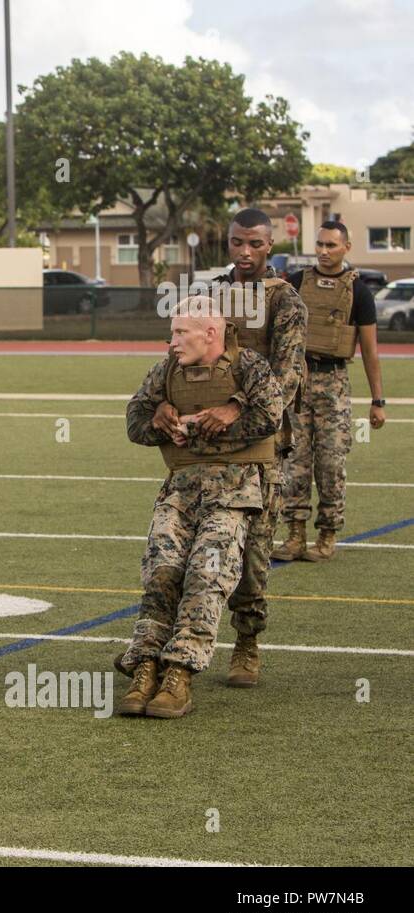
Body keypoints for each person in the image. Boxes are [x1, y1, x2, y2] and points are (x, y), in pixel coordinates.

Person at [117, 297, 284, 718]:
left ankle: (181, 672)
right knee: (161, 571)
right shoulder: (168, 370)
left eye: (179, 332)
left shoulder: (250, 367)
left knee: (209, 574)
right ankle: (147, 664)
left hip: (236, 491)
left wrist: (230, 412)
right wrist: (158, 416)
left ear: (209, 333)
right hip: (181, 489)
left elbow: (271, 418)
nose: (171, 341)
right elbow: (134, 421)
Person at [180, 207, 306, 688]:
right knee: (192, 548)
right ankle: (180, 646)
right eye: (237, 243)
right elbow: (183, 354)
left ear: (270, 245)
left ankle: (247, 642)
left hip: (261, 447)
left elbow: (289, 376)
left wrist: (236, 405)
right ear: (227, 243)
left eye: (255, 243)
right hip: (205, 446)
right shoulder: (208, 295)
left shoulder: (286, 302)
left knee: (253, 553)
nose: (246, 252)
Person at [274, 220, 386, 561]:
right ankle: (294, 535)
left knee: (331, 463)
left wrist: (377, 401)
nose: (324, 251)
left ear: (346, 248)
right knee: (294, 461)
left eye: (331, 246)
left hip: (334, 384)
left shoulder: (360, 291)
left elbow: (369, 350)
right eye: (320, 245)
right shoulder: (295, 283)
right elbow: (277, 333)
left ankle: (327, 535)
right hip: (298, 384)